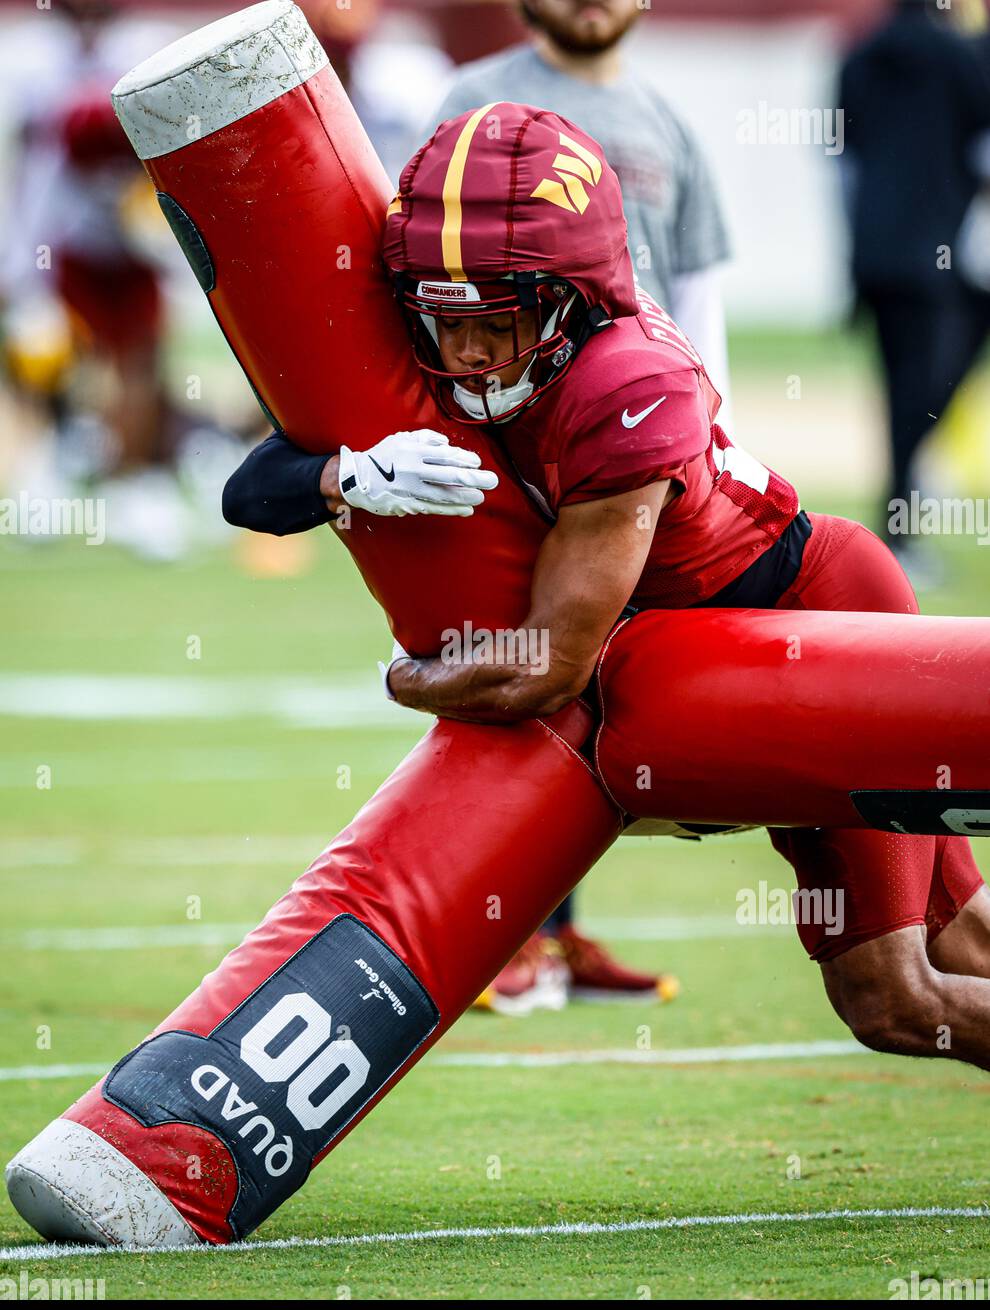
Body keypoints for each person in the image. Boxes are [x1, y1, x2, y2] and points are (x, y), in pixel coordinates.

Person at [224, 105, 990, 1066]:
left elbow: (542, 669)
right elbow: (246, 491)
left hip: (807, 617)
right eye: (439, 315)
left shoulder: (623, 385)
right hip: (708, 638)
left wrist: (402, 678)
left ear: (567, 299)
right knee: (964, 942)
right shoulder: (461, 340)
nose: (462, 354)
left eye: (495, 320)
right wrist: (349, 475)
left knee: (895, 997)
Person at [422, 0, 731, 1006]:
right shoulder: (476, 99)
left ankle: (554, 925)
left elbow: (698, 279)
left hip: (637, 436)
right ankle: (512, 931)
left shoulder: (664, 113)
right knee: (524, 665)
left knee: (594, 680)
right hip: (525, 431)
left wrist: (709, 424)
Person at [838, 0, 990, 580]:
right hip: (942, 257)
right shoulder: (960, 54)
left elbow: (844, 170)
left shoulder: (860, 56)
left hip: (879, 255)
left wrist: (851, 263)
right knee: (920, 394)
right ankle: (900, 528)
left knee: (903, 392)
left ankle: (908, 499)